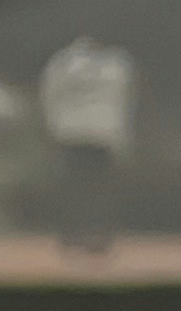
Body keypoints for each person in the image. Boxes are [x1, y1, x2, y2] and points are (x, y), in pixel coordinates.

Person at [36, 33, 137, 263]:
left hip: (72, 134)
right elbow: (123, 102)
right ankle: (97, 237)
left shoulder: (61, 63)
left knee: (75, 187)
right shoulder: (118, 65)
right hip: (103, 133)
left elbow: (49, 97)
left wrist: (53, 129)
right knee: (99, 189)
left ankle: (72, 236)